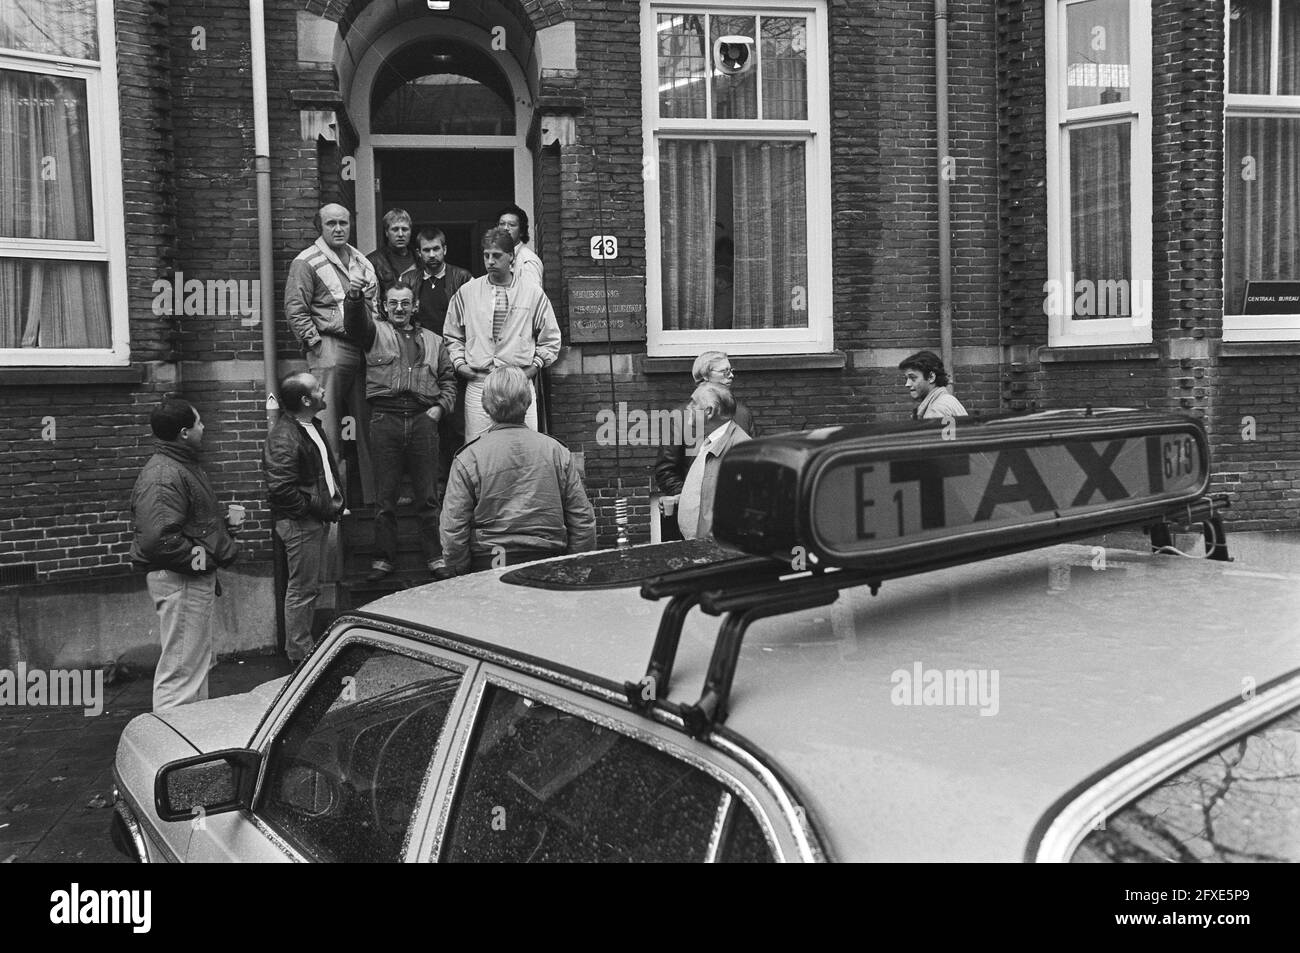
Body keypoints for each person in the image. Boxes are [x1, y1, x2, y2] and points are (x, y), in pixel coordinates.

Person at [130, 399, 240, 711]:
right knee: (181, 673)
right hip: (183, 580)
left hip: (187, 578)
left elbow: (182, 528)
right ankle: (171, 750)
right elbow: (159, 541)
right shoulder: (165, 474)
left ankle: (190, 744)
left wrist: (221, 531)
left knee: (191, 667)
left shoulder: (178, 466)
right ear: (184, 433)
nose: (203, 427)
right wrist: (206, 560)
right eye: (198, 422)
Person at [345, 284, 456, 582]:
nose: (399, 308)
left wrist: (440, 409)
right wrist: (354, 298)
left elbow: (448, 379)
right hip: (385, 417)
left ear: (415, 305)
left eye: (405, 303)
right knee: (385, 497)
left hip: (423, 417)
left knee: (428, 495)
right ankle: (383, 559)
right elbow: (354, 323)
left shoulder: (434, 341)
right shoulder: (374, 333)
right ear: (384, 305)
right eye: (393, 303)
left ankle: (435, 556)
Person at [439, 367, 595, 575]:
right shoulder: (557, 451)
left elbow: (453, 527)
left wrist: (460, 573)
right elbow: (582, 519)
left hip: (491, 563)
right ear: (528, 401)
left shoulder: (469, 457)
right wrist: (575, 567)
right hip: (548, 561)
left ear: (486, 405)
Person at [284, 203, 378, 500]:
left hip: (363, 348)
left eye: (343, 223)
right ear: (320, 227)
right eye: (331, 224)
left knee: (369, 428)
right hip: (330, 348)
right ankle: (335, 500)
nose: (338, 228)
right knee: (328, 428)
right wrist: (316, 344)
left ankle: (374, 497)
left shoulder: (360, 260)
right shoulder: (306, 261)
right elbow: (295, 308)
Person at [444, 228, 562, 441]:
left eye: (496, 255)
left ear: (512, 257)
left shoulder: (532, 292)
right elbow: (452, 335)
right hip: (480, 381)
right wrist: (460, 364)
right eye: (486, 255)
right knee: (478, 447)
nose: (490, 261)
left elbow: (550, 338)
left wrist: (533, 367)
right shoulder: (467, 292)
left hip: (518, 381)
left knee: (525, 446)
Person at [264, 372, 345, 663]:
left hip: (313, 520)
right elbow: (281, 490)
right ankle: (300, 655)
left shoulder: (310, 426)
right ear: (305, 399)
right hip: (301, 524)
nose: (324, 390)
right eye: (318, 388)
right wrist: (318, 508)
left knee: (309, 587)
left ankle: (303, 648)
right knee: (302, 589)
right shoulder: (285, 436)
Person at [407, 227, 474, 489]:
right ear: (419, 252)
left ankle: (462, 486)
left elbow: (473, 320)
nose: (432, 254)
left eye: (437, 249)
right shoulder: (410, 280)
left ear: (445, 249)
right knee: (427, 429)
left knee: (457, 427)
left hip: (455, 362)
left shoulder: (462, 278)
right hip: (423, 363)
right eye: (426, 250)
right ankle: (432, 487)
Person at [654, 350, 758, 503]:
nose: (731, 375)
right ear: (704, 377)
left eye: (731, 370)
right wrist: (691, 500)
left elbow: (755, 462)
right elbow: (666, 470)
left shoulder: (743, 414)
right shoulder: (679, 416)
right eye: (724, 371)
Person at [677, 383, 751, 540]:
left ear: (709, 411)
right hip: (701, 548)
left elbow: (741, 512)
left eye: (693, 402)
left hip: (714, 551)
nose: (688, 407)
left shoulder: (740, 450)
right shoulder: (712, 439)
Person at [899, 350, 968, 420]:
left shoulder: (936, 410)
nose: (907, 384)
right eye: (906, 379)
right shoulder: (946, 400)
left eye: (913, 378)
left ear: (931, 377)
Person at [367, 208, 418, 296]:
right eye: (395, 229)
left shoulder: (420, 259)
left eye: (405, 229)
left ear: (410, 232)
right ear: (387, 232)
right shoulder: (373, 261)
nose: (400, 234)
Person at [496, 204, 544, 287]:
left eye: (511, 225)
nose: (506, 228)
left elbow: (532, 297)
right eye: (502, 224)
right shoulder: (501, 258)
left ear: (521, 231)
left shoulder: (527, 262)